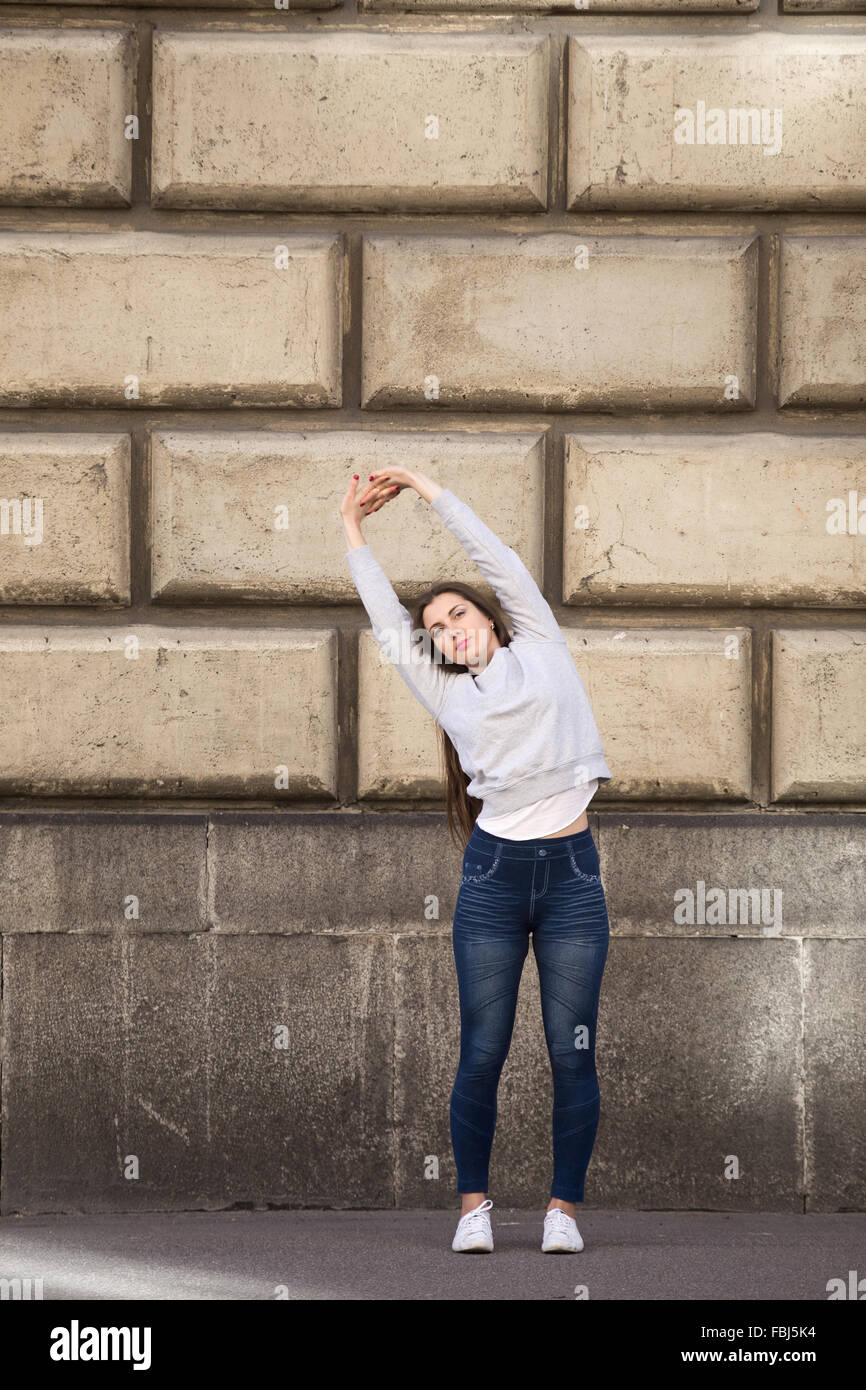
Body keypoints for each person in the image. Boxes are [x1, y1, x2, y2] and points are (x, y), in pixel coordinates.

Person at [340, 466, 612, 1254]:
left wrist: (428, 490)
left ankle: (562, 1210)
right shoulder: (448, 693)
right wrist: (352, 527)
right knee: (483, 1049)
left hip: (572, 879)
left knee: (573, 1049)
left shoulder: (542, 645)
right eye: (439, 628)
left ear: (488, 619)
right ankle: (473, 1210)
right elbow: (384, 617)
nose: (451, 628)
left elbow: (499, 560)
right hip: (494, 880)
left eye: (459, 614)